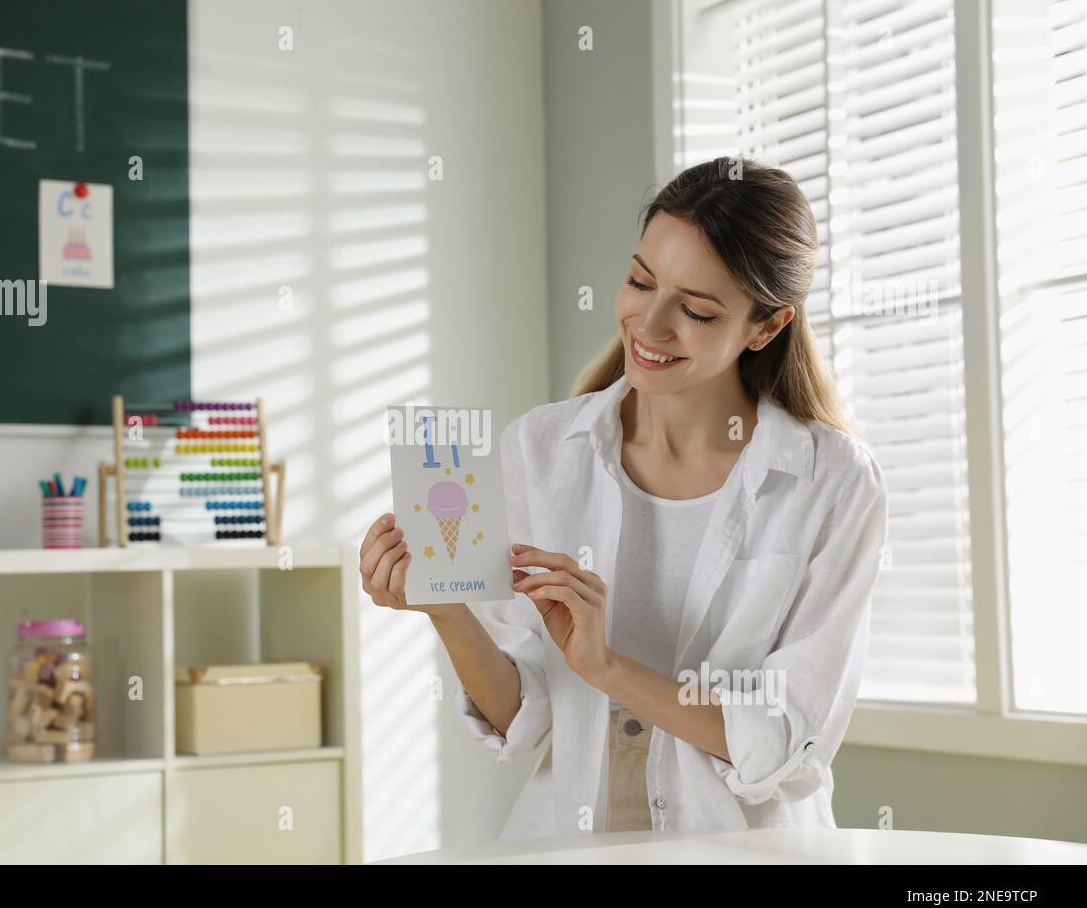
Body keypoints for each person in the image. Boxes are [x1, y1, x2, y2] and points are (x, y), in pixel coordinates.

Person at [358, 157, 889, 840]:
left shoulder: (833, 482)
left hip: (748, 851)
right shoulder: (541, 451)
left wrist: (606, 666)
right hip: (570, 842)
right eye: (641, 280)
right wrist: (444, 606)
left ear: (765, 327)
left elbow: (785, 733)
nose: (650, 323)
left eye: (696, 310)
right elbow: (524, 715)